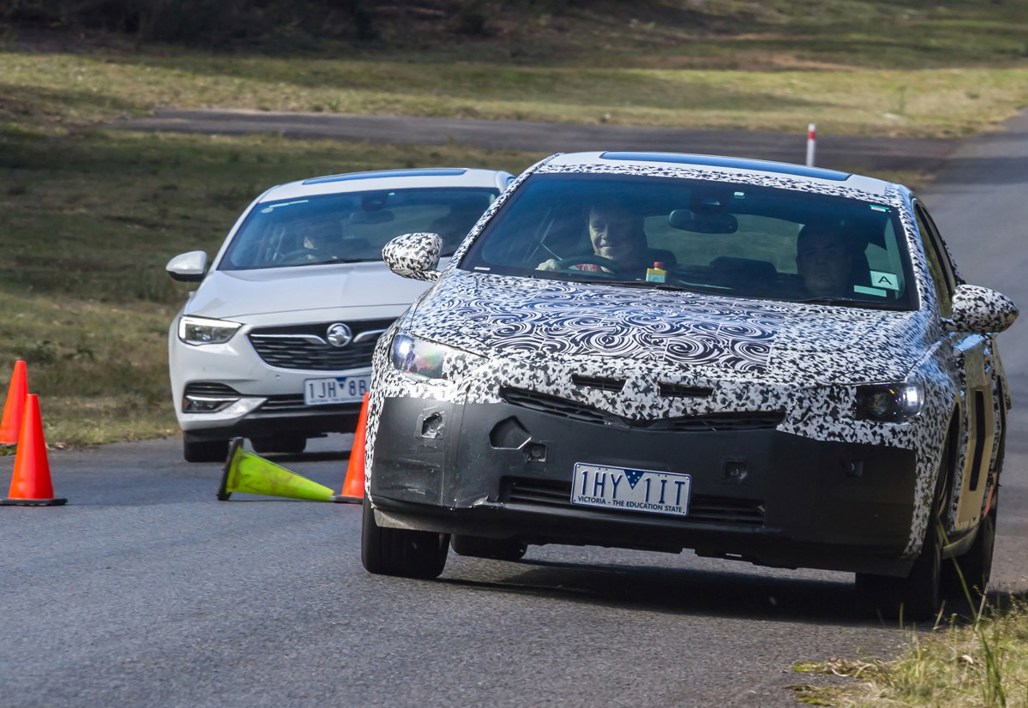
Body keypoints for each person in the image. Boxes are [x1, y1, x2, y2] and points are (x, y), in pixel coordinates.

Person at [537, 203, 651, 274]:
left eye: (619, 226)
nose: (607, 235)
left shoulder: (662, 276)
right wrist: (543, 275)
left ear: (636, 227)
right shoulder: (570, 273)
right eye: (598, 227)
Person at [795, 223, 855, 298]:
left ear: (847, 263)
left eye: (831, 252)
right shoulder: (779, 305)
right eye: (811, 254)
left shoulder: (870, 305)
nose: (821, 260)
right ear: (799, 265)